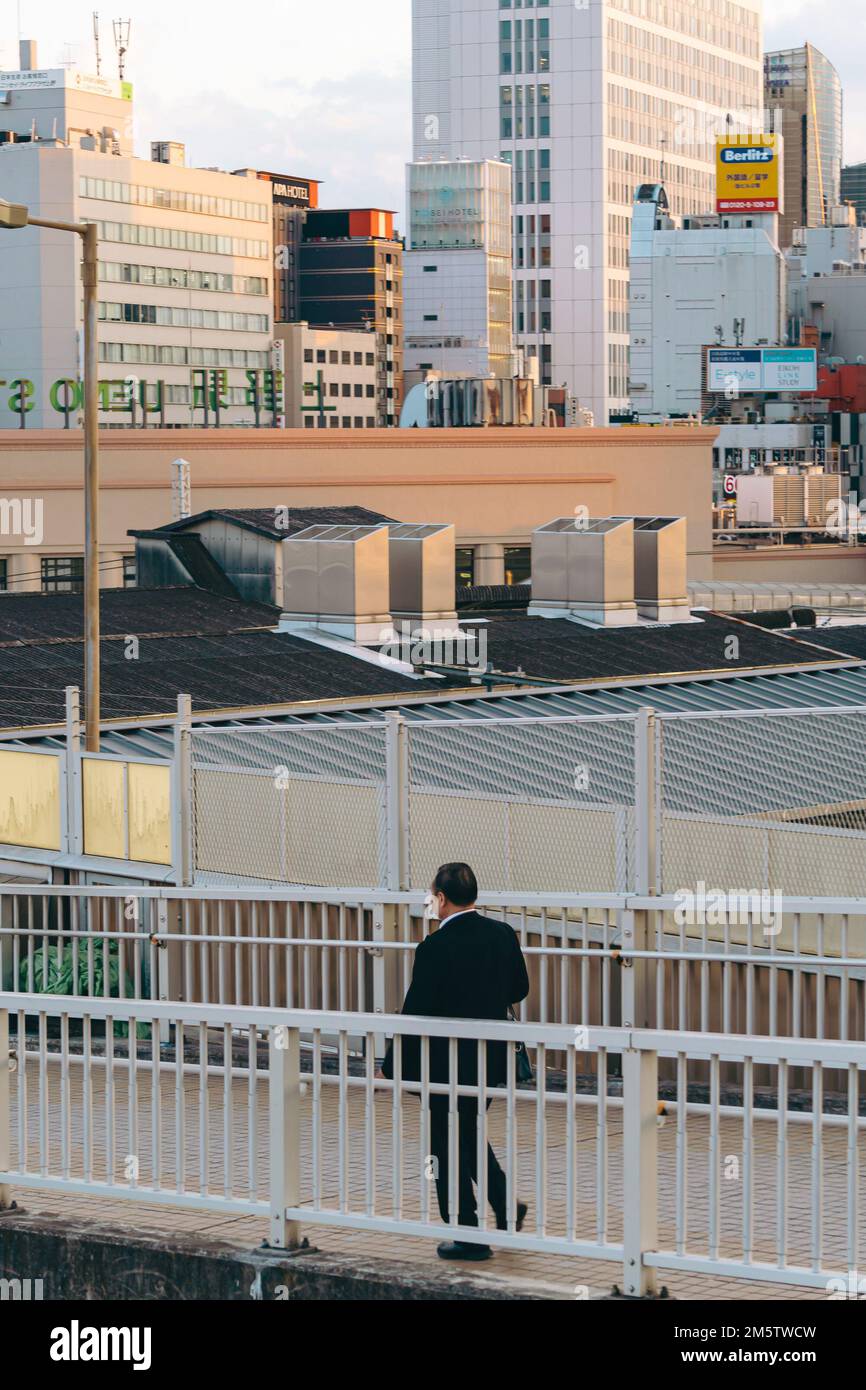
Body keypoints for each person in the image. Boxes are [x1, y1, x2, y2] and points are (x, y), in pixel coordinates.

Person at [382, 862, 530, 1261]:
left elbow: (417, 1012)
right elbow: (520, 987)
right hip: (488, 1062)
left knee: (443, 1149)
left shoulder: (433, 948)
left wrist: (396, 1063)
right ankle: (505, 1205)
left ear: (442, 898)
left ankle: (467, 1233)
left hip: (443, 1066)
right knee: (466, 1132)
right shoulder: (502, 934)